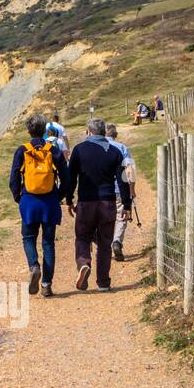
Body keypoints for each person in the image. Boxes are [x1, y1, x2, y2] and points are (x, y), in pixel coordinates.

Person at [61, 118, 133, 292]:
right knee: (105, 242)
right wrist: (127, 205)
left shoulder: (79, 150)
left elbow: (71, 178)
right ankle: (103, 282)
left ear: (89, 132)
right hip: (108, 203)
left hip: (86, 203)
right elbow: (123, 181)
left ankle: (84, 263)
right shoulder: (115, 152)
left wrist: (69, 199)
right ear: (104, 133)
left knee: (83, 237)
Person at [9, 114, 70, 297]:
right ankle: (46, 285)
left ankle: (34, 266)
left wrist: (19, 197)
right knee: (48, 243)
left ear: (28, 130)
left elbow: (13, 179)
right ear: (45, 130)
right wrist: (59, 195)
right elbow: (66, 178)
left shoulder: (22, 150)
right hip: (50, 202)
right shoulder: (53, 150)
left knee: (28, 238)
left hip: (29, 201)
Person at [106, 125, 137, 262]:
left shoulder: (99, 147)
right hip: (119, 189)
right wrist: (132, 188)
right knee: (121, 216)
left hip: (103, 190)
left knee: (106, 218)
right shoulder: (122, 148)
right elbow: (129, 170)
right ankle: (117, 241)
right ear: (116, 135)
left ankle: (104, 246)